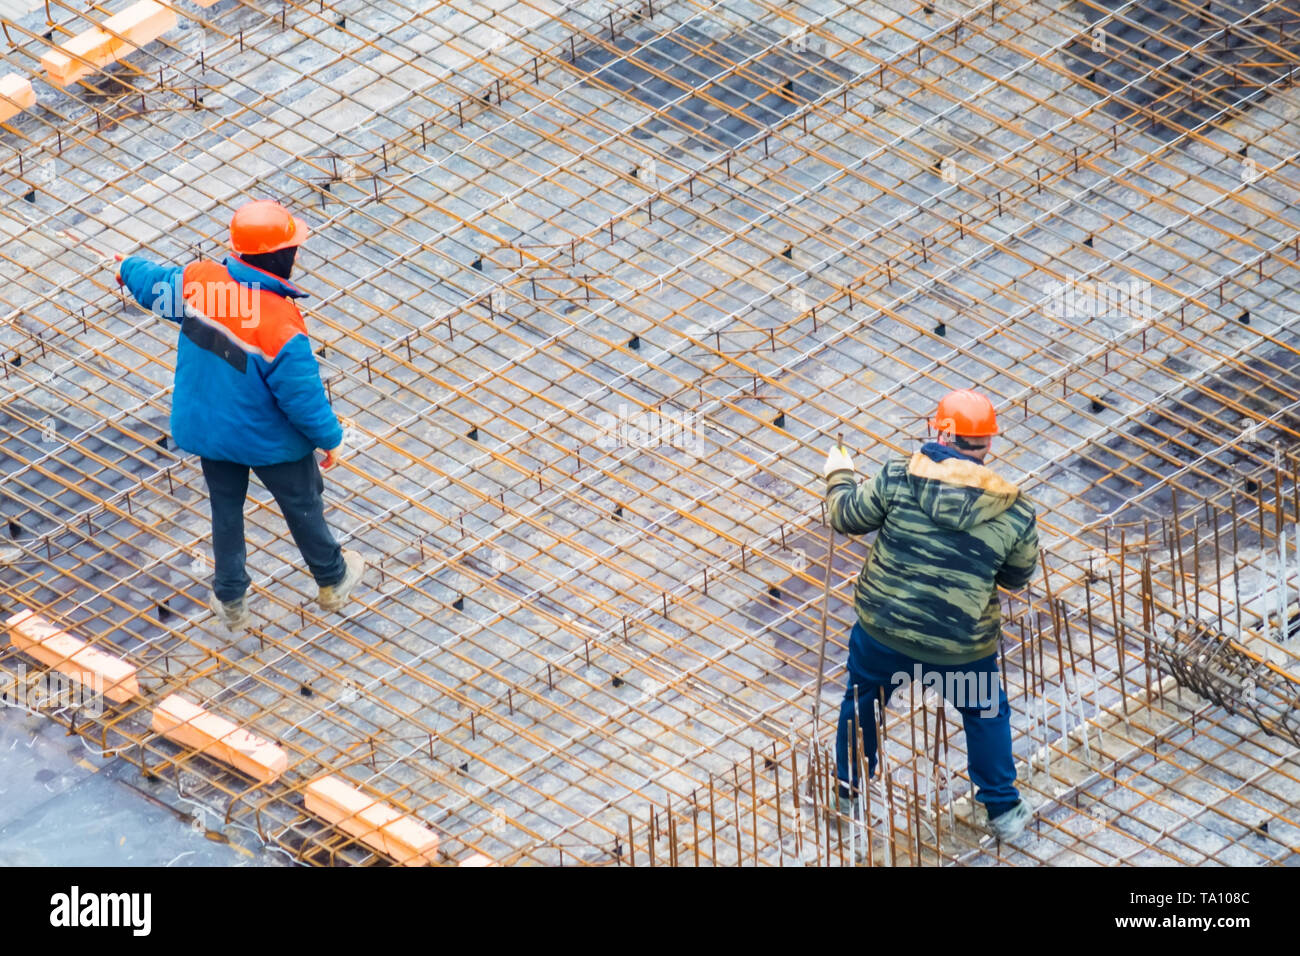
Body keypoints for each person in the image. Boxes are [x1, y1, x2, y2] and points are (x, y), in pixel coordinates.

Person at [118, 199, 364, 630]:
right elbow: (301, 399)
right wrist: (331, 437)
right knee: (302, 504)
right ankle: (332, 579)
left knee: (225, 510)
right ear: (281, 256)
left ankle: (231, 598)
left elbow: (153, 284)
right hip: (271, 442)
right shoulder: (280, 323)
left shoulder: (203, 283)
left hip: (212, 433)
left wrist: (127, 268)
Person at [823, 388, 1039, 843]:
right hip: (958, 649)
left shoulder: (898, 476)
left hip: (883, 633)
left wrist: (839, 474)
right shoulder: (1015, 510)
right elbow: (1017, 578)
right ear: (989, 444)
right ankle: (1003, 811)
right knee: (985, 712)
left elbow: (844, 516)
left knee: (862, 702)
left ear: (939, 431)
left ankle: (846, 796)